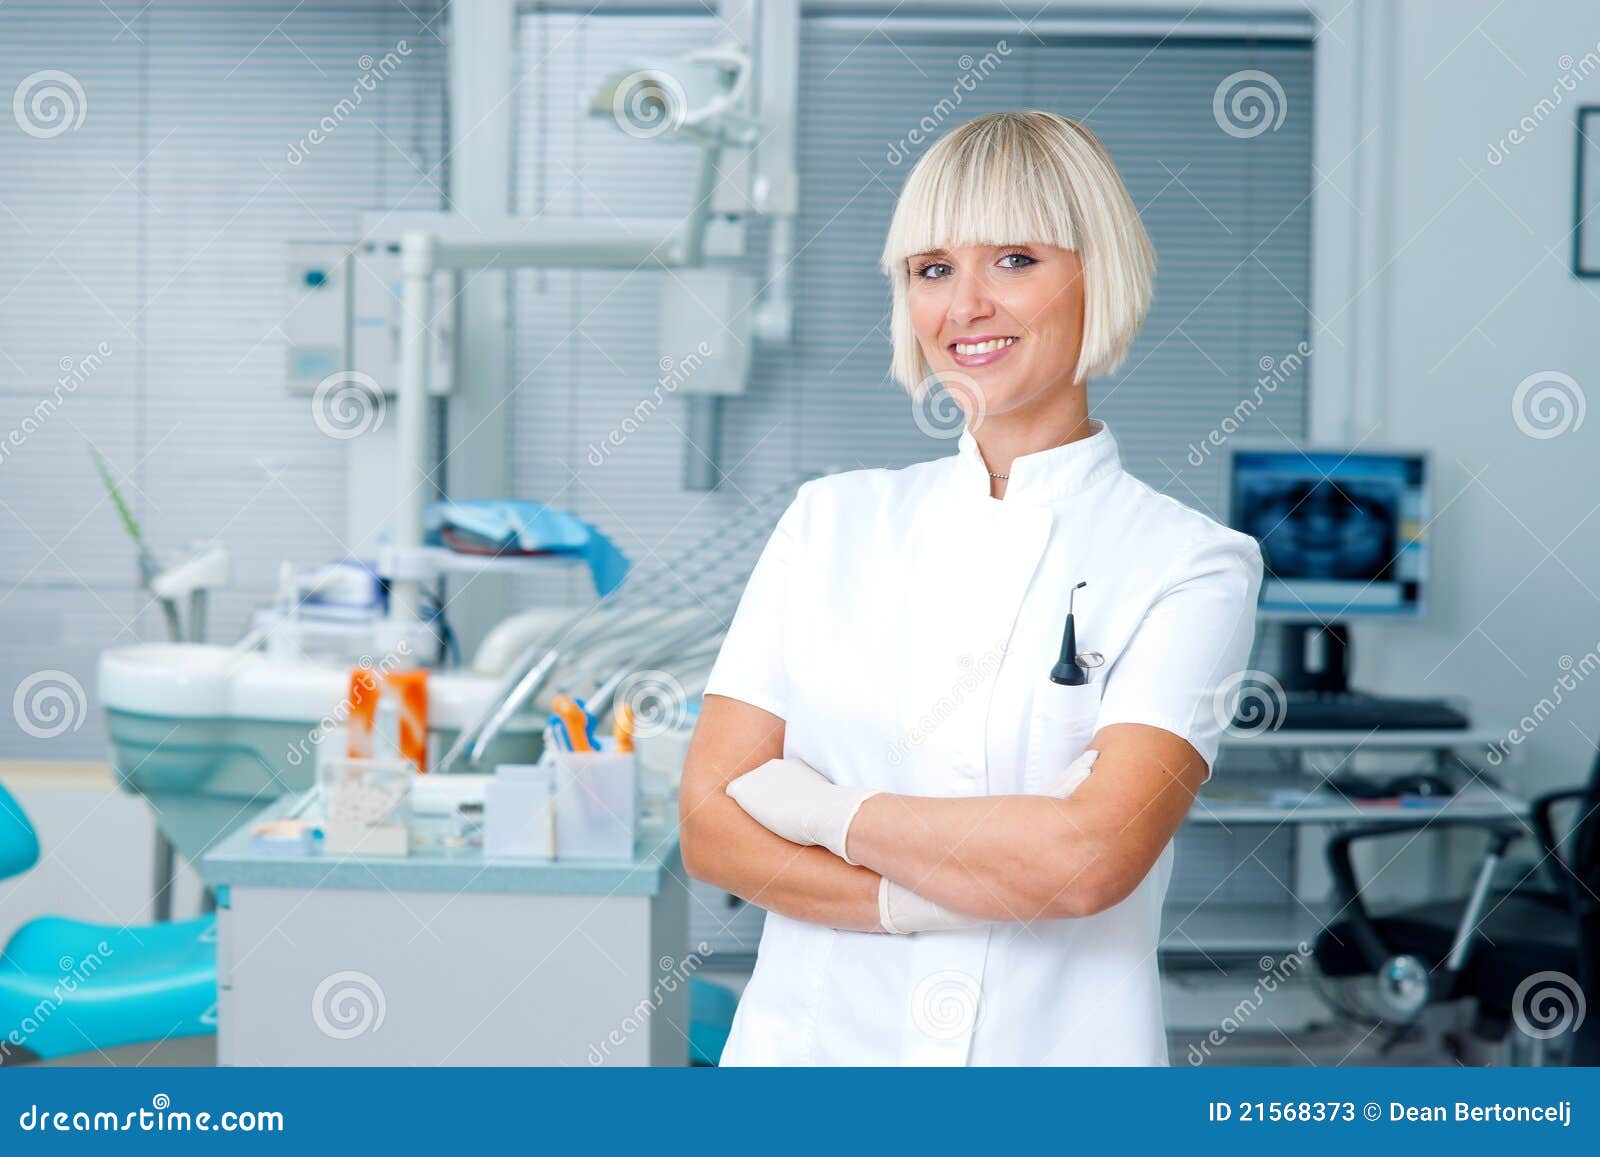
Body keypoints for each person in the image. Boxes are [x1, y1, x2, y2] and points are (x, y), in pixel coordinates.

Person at [679, 110, 1263, 1066]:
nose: (965, 306)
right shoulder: (829, 523)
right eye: (932, 269)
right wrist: (950, 885)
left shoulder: (1190, 562)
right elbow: (713, 824)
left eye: (1016, 260)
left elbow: (1085, 863)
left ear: (1097, 273)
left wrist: (818, 810)